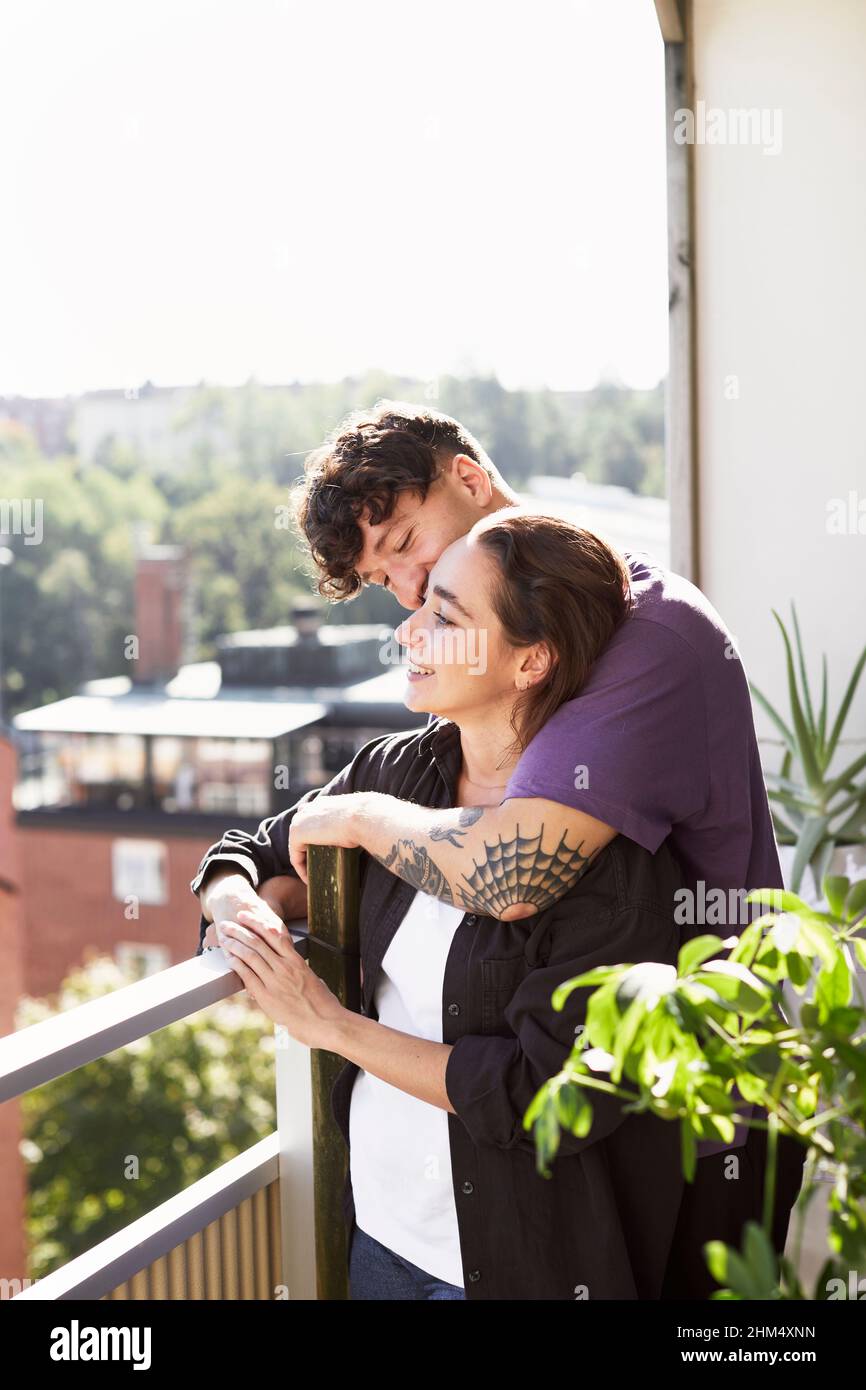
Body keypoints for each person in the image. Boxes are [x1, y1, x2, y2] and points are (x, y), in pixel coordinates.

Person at [193, 401, 805, 1297]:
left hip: (691, 1120)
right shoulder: (416, 764)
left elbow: (508, 878)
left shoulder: (651, 639)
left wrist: (354, 826)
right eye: (388, 580)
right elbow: (262, 849)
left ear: (469, 479)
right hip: (437, 1207)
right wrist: (241, 904)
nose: (405, 593)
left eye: (405, 543)